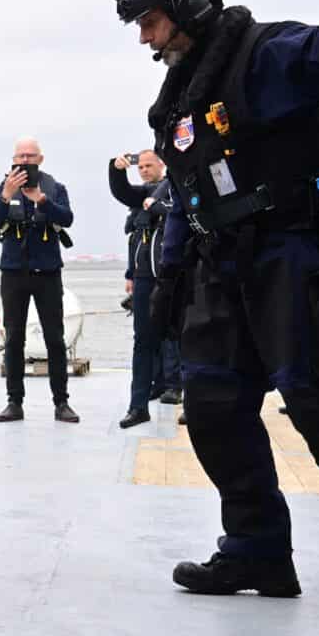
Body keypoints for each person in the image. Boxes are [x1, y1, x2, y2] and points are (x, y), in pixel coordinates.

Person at [116, 0, 319, 597]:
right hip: (221, 266)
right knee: (212, 404)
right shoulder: (184, 96)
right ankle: (256, 550)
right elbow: (190, 193)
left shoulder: (269, 55)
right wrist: (169, 284)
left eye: (152, 22)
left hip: (294, 252)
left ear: (188, 7)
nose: (145, 38)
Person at [0, 138, 79, 423]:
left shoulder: (55, 189)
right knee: (14, 338)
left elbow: (68, 218)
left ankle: (61, 402)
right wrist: (7, 195)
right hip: (14, 273)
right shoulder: (1, 189)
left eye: (30, 155)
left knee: (55, 338)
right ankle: (14, 401)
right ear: (13, 159)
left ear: (40, 159)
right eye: (20, 155)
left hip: (47, 273)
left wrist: (41, 199)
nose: (25, 160)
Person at [108, 150, 178, 428]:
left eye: (150, 165)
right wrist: (115, 169)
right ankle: (138, 406)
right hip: (144, 277)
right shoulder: (146, 193)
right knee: (143, 341)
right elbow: (123, 192)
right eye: (142, 166)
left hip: (174, 275)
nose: (145, 169)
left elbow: (187, 213)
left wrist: (157, 207)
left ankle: (182, 391)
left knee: (180, 337)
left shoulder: (176, 186)